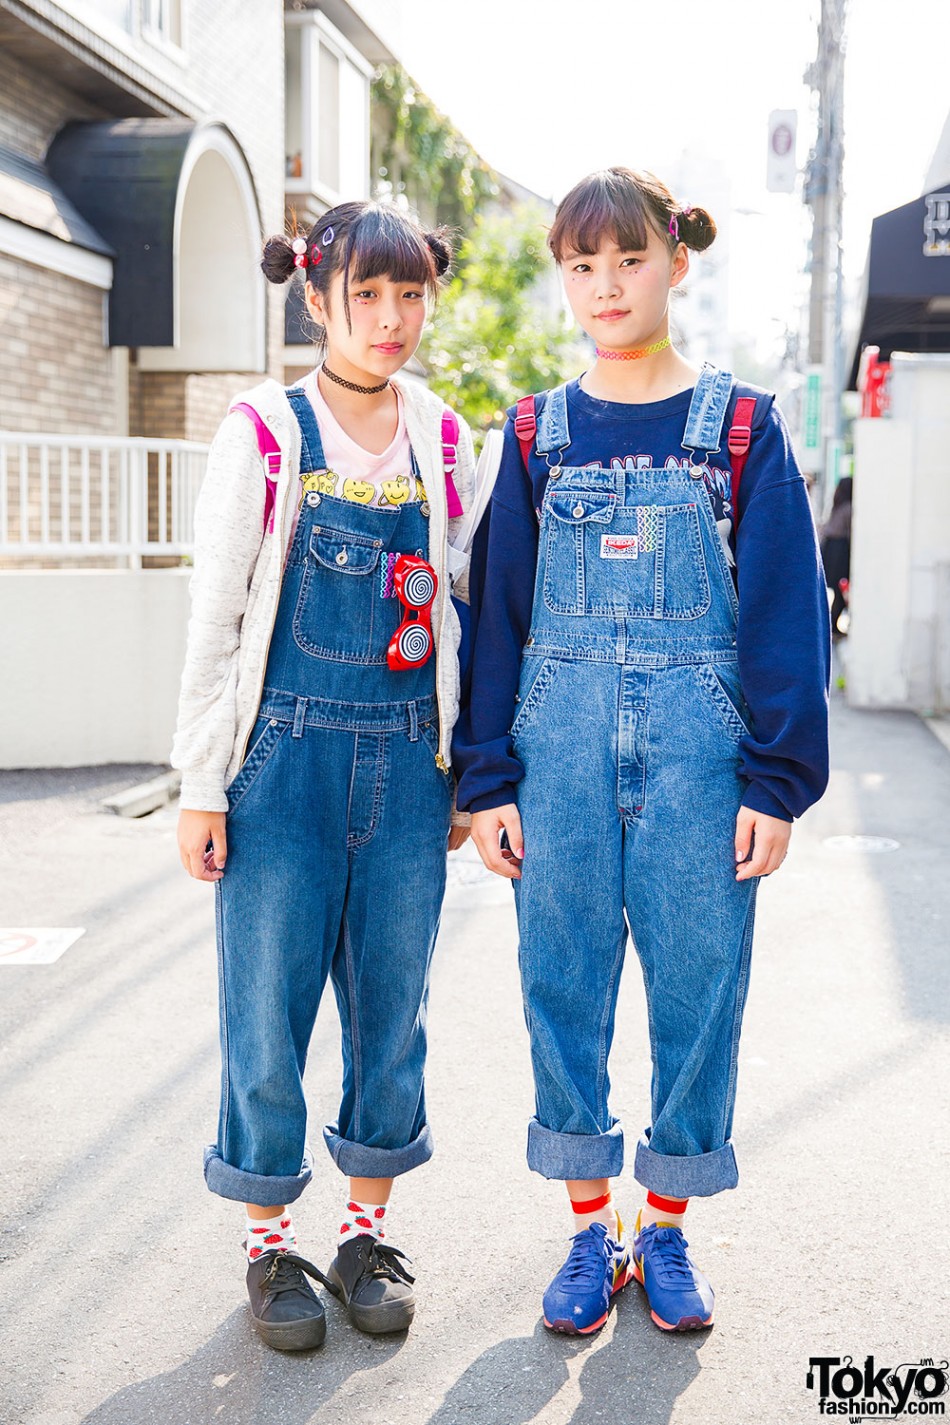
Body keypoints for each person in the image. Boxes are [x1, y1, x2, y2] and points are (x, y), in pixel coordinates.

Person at [455, 167, 830, 1336]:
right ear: (563, 279)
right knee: (559, 983)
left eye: (627, 260)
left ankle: (662, 1226)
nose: (606, 286)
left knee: (698, 989)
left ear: (675, 261)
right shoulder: (532, 432)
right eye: (582, 266)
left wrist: (776, 783)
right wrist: (485, 779)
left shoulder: (742, 428)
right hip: (554, 753)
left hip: (701, 758)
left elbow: (785, 616)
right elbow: (494, 616)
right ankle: (588, 1228)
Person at [172, 201, 475, 1352]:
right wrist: (200, 783)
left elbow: (463, 610)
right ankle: (267, 1247)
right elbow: (215, 618)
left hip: (408, 767)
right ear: (315, 298)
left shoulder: (443, 439)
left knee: (391, 1018)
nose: (390, 319)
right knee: (267, 1013)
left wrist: (465, 772)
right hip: (279, 768)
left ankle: (363, 1235)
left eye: (409, 295)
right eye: (365, 296)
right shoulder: (263, 432)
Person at [820, 476, 853, 638]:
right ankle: (833, 624)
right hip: (839, 549)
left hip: (829, 547)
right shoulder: (848, 508)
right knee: (841, 586)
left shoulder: (837, 506)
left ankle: (831, 623)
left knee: (835, 587)